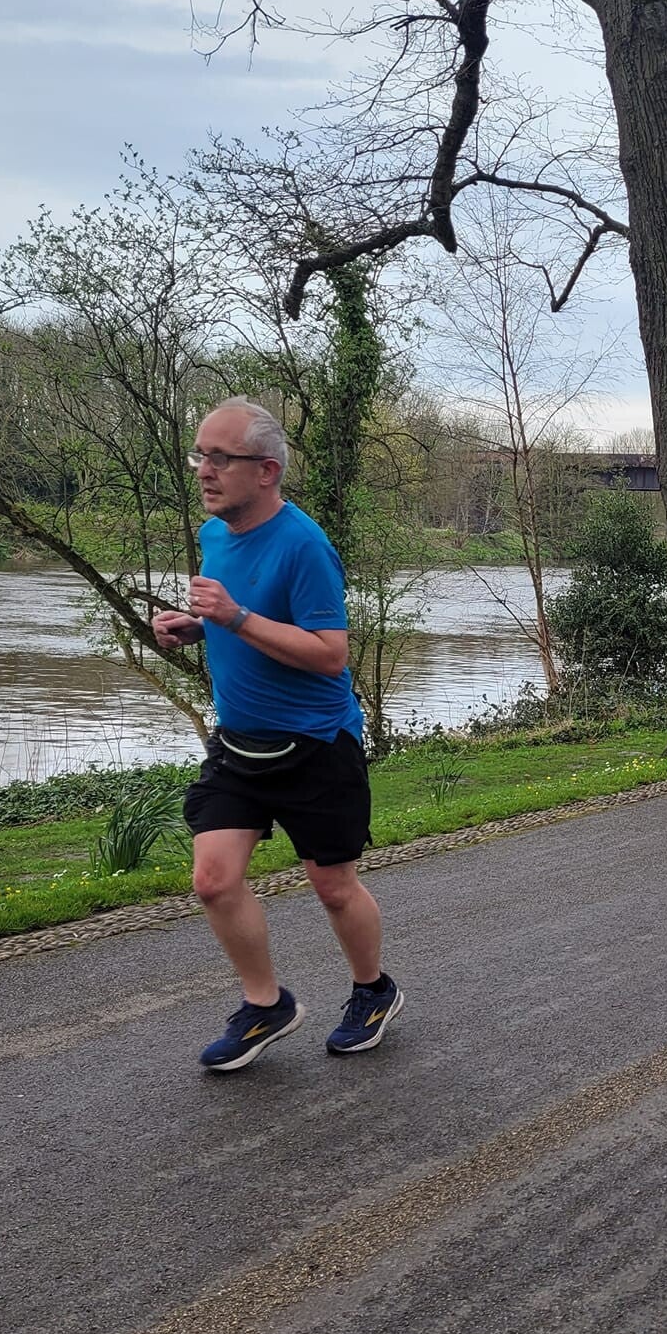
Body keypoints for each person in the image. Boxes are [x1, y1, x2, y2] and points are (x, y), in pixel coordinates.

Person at [153, 398, 403, 1070]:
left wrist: (232, 617)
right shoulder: (214, 535)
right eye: (199, 454)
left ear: (266, 471)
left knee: (334, 887)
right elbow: (247, 617)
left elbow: (329, 654)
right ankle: (266, 1005)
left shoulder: (305, 546)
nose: (203, 470)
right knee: (213, 880)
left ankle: (373, 991)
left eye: (219, 457)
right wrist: (197, 626)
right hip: (239, 744)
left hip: (316, 745)